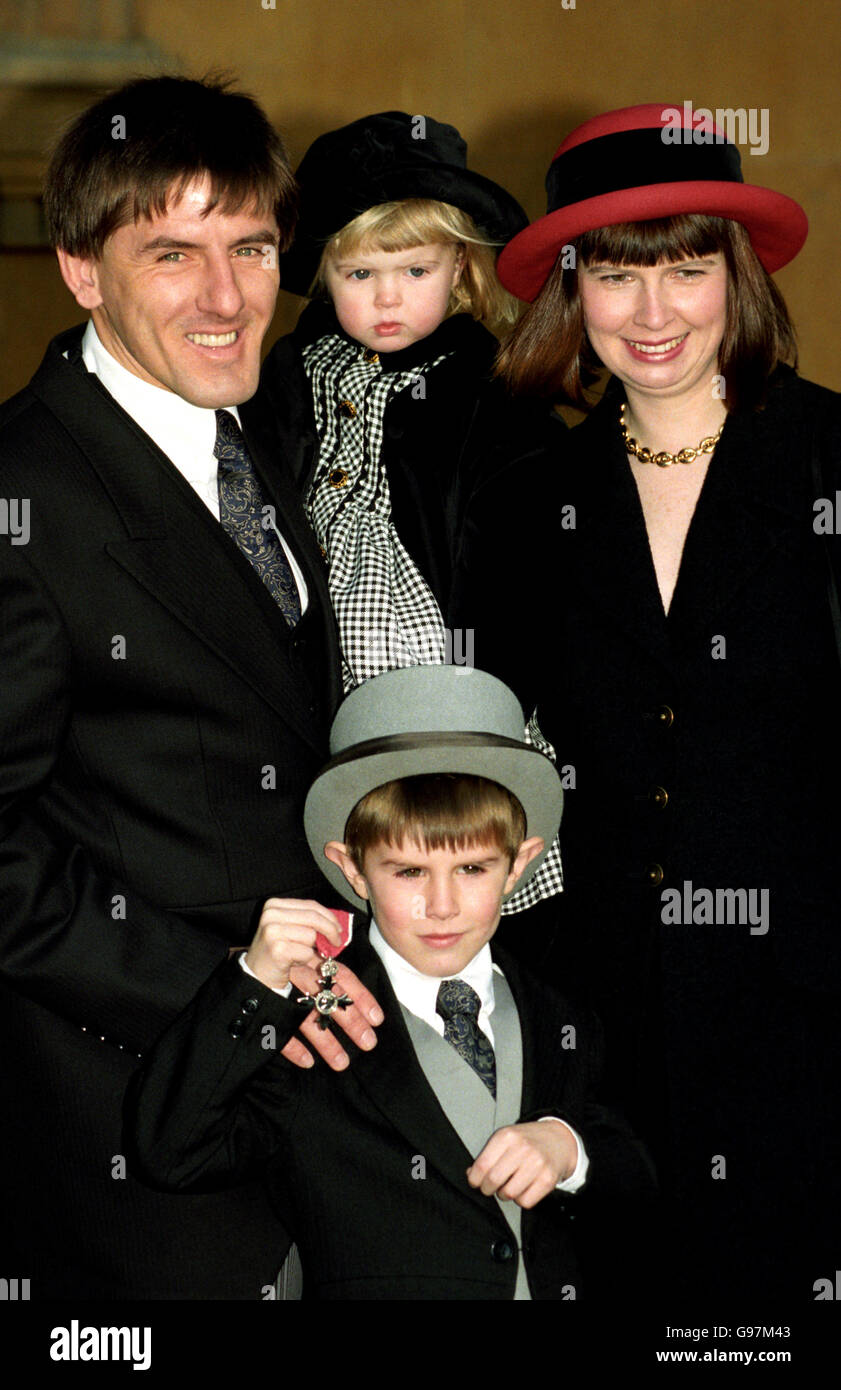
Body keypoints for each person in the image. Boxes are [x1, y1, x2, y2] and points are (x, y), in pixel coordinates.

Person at [0, 74, 383, 1300]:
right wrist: (232, 995)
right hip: (133, 1136)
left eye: (252, 248)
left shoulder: (253, 433)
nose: (227, 298)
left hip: (304, 1122)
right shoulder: (22, 496)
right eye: (171, 254)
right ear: (80, 269)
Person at [480, 102, 841, 1301]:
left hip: (809, 1023)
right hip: (602, 1045)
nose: (651, 313)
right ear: (570, 292)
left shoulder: (826, 456)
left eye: (686, 271)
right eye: (615, 275)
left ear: (736, 278)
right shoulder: (528, 500)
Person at [126, 665, 656, 1301]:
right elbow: (171, 1151)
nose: (442, 906)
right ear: (353, 870)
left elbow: (638, 1170)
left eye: (472, 868)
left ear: (519, 865)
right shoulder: (306, 1028)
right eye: (408, 872)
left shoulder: (562, 1013)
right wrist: (253, 983)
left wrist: (567, 1148)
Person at [259, 109, 567, 916]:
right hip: (311, 652)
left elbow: (520, 558)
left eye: (415, 271)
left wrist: (500, 680)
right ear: (323, 274)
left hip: (440, 663)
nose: (387, 297)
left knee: (440, 827)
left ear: (461, 269)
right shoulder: (290, 373)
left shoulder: (491, 391)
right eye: (359, 273)